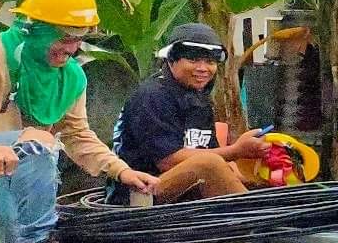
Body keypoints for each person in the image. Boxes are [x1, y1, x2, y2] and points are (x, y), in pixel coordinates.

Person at [0, 0, 158, 243]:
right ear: (35, 28)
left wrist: (121, 171)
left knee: (39, 146)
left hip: (2, 187)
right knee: (38, 142)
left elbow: (77, 135)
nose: (72, 48)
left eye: (80, 38)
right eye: (65, 37)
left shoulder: (70, 77)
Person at [114, 23, 267, 200]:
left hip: (183, 188)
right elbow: (167, 161)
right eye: (193, 60)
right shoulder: (152, 96)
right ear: (171, 60)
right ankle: (258, 215)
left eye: (210, 62)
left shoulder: (198, 97)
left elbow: (212, 152)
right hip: (140, 193)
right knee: (208, 164)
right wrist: (236, 151)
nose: (203, 68)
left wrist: (256, 181)